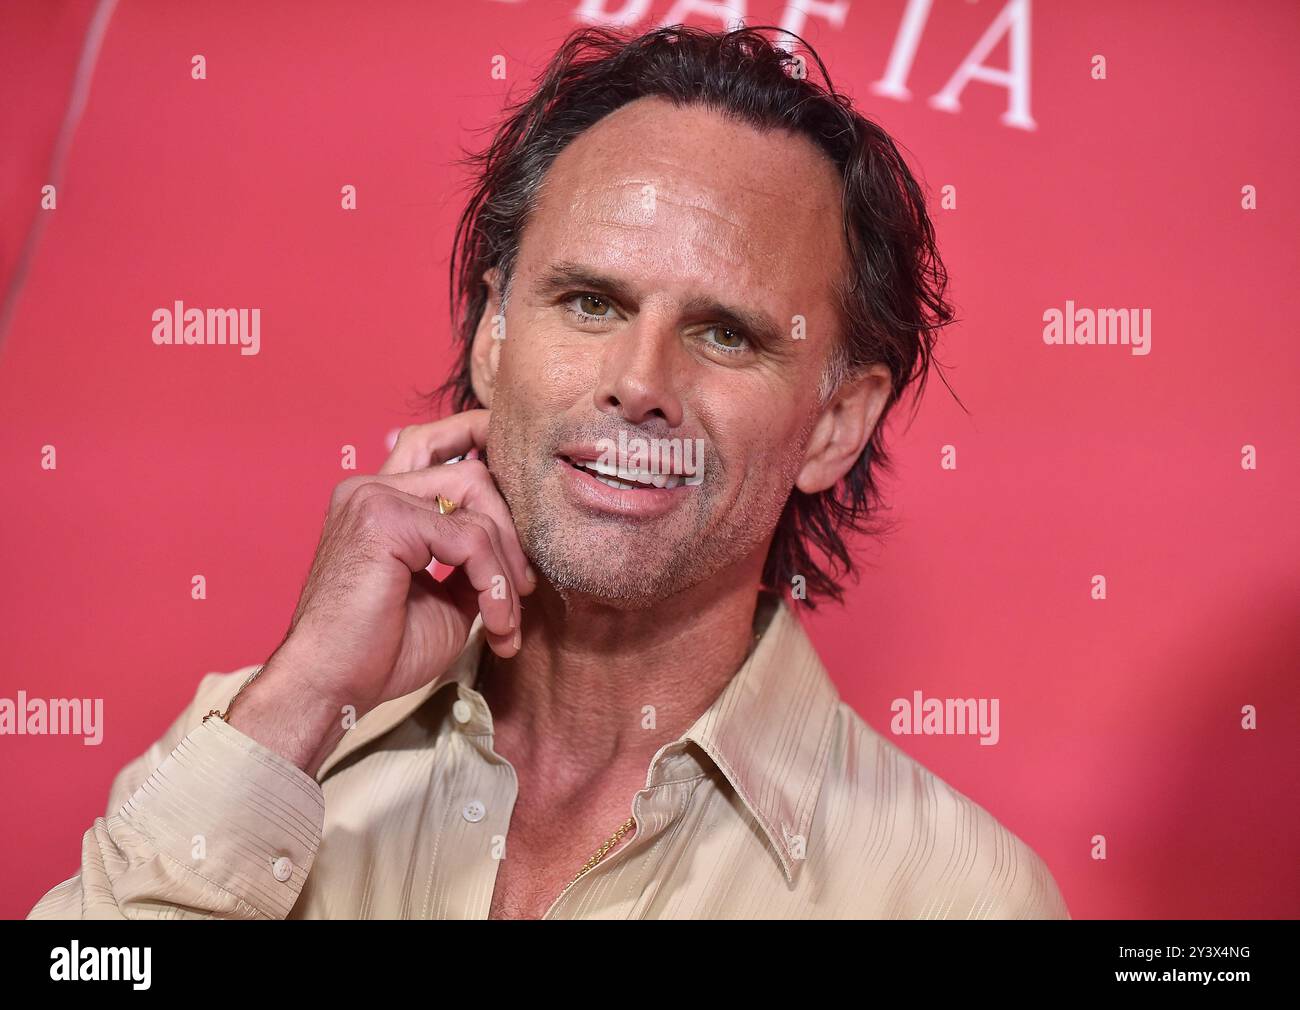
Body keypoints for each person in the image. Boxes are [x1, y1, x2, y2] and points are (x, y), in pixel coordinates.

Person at [30, 24, 1069, 920]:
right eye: (591, 302)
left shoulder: (953, 893)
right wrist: (301, 694)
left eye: (724, 333)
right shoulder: (270, 736)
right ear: (491, 334)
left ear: (834, 425)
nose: (638, 381)